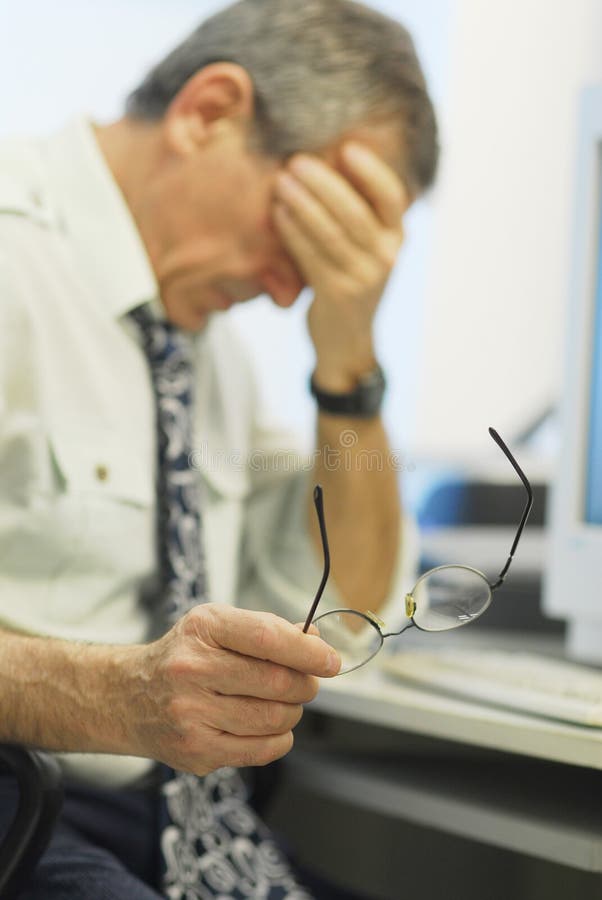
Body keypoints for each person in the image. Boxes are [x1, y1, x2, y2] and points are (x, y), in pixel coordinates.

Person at [0, 0, 438, 896]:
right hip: (28, 803)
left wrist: (348, 362)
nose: (290, 293)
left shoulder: (207, 350)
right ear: (208, 112)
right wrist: (115, 696)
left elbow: (349, 606)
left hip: (178, 827)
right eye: (307, 231)